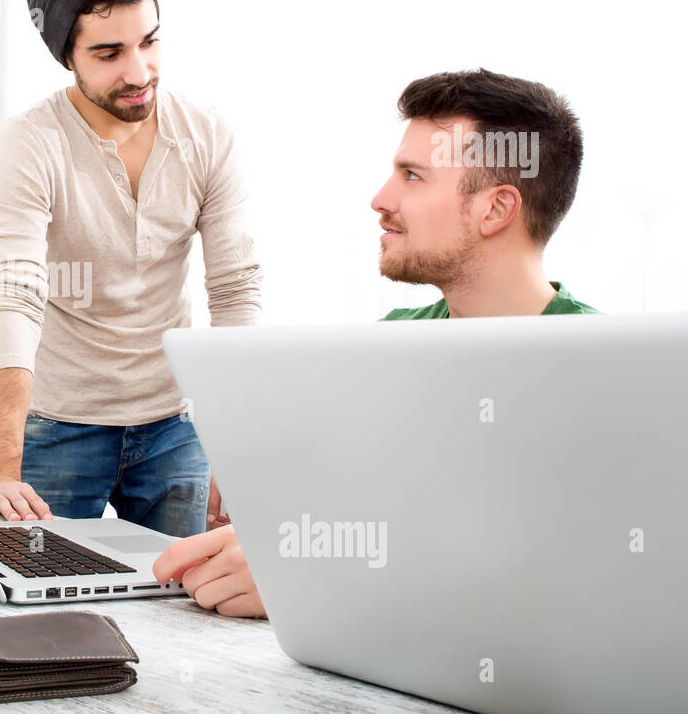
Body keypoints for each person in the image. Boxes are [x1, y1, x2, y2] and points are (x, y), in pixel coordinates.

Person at [154, 68, 597, 616]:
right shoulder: (391, 344)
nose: (380, 198)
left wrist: (318, 581)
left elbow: (574, 580)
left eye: (412, 176)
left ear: (496, 209)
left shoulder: (602, 375)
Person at [0, 0, 262, 537]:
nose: (138, 72)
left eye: (149, 42)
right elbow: (14, 295)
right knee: (33, 605)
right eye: (109, 53)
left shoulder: (207, 134)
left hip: (175, 427)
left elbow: (235, 293)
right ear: (67, 56)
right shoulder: (30, 142)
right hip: (58, 423)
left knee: (188, 611)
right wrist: (0, 469)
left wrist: (239, 450)